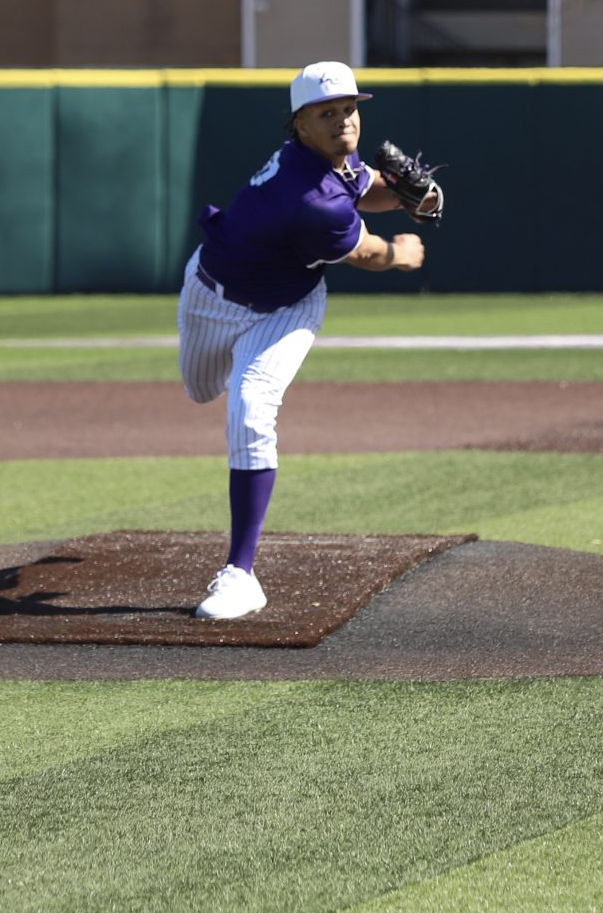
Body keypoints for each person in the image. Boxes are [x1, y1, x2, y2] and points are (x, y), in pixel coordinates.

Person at [175, 61, 439, 620]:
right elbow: (367, 252)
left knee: (249, 413)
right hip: (210, 297)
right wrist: (401, 254)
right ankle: (230, 375)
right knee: (201, 391)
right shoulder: (313, 198)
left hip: (287, 307)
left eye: (350, 109)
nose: (344, 120)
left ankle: (239, 574)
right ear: (299, 124)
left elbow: (364, 186)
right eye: (328, 113)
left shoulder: (324, 163)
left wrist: (399, 191)